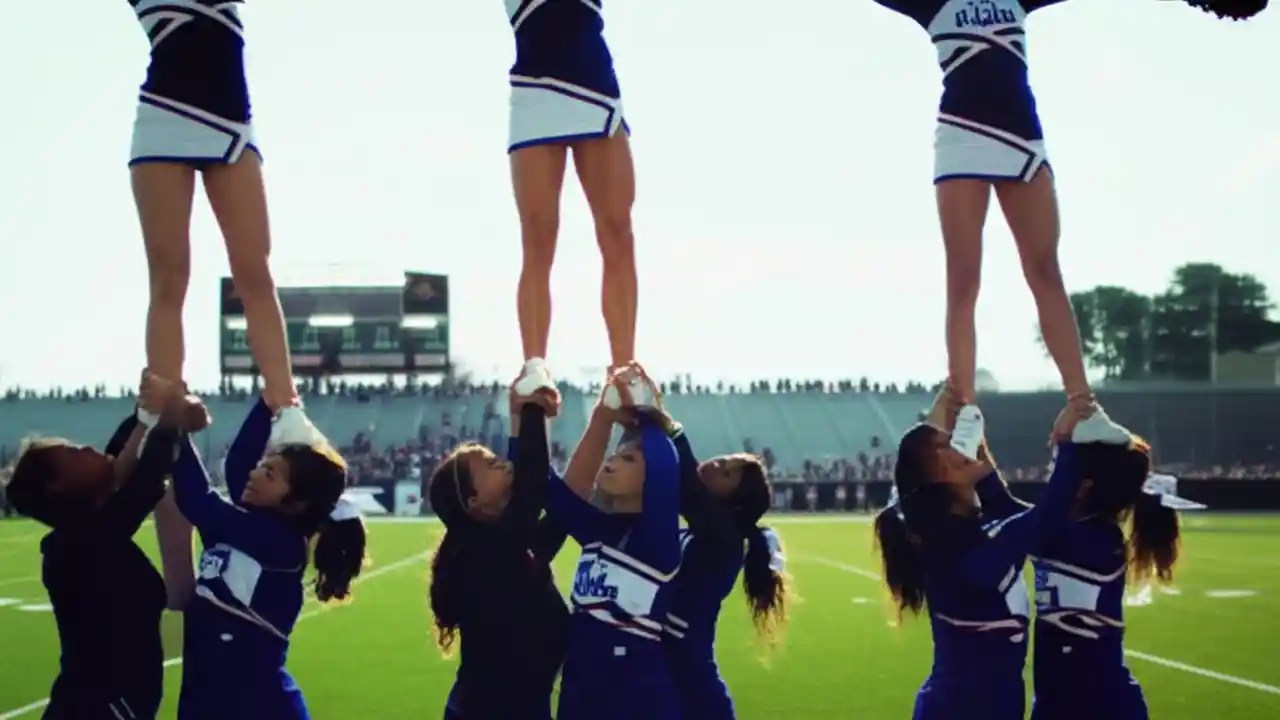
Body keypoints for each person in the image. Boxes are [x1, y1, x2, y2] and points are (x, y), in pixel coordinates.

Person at [128, 0, 307, 606]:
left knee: (254, 271)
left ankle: (287, 406)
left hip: (232, 121)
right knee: (169, 275)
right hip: (161, 113)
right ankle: (164, 404)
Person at [867, 0, 1093, 416]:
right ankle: (963, 406)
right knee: (964, 278)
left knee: (1045, 268)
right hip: (961, 139)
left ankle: (1082, 402)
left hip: (1023, 139)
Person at [872, 385, 1125, 720]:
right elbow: (1043, 520)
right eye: (946, 444)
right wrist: (1067, 445)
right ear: (940, 474)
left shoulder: (968, 531)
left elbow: (1006, 511)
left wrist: (979, 464)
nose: (957, 443)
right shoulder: (961, 557)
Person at [162, 375, 366, 720]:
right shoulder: (251, 520)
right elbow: (238, 463)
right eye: (262, 467)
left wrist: (175, 428)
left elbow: (199, 501)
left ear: (296, 503)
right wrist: (266, 407)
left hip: (255, 706)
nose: (255, 475)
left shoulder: (279, 545)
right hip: (208, 698)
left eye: (269, 474)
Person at [3, 388, 200, 720]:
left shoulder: (88, 528)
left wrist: (149, 405)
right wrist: (167, 421)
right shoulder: (77, 550)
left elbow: (122, 455)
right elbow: (145, 478)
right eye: (74, 453)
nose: (86, 448)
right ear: (60, 487)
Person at [505, 0, 645, 408]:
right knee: (538, 234)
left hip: (596, 86)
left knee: (618, 230)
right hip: (534, 90)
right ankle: (535, 364)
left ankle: (624, 366)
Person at [426, 380, 569, 720]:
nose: (504, 464)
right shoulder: (487, 552)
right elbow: (532, 483)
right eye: (490, 465)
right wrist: (531, 405)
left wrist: (521, 410)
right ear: (474, 502)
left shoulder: (502, 544)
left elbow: (560, 512)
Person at [548, 368, 682, 720]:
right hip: (579, 695)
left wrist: (645, 410)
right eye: (614, 456)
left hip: (637, 702)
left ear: (652, 475)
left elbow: (667, 464)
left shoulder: (658, 539)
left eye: (628, 459)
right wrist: (600, 418)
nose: (611, 461)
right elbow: (549, 489)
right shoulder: (599, 530)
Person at [1031, 434, 1183, 720]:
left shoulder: (1085, 541)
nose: (1049, 478)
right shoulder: (1082, 534)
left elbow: (1007, 525)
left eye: (1057, 470)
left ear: (1082, 488)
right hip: (1073, 700)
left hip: (1092, 705)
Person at [661, 418, 791, 720]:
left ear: (735, 499)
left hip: (690, 679)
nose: (718, 465)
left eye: (728, 473)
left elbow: (691, 490)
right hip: (670, 668)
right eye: (724, 460)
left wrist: (672, 430)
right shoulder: (700, 531)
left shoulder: (724, 539)